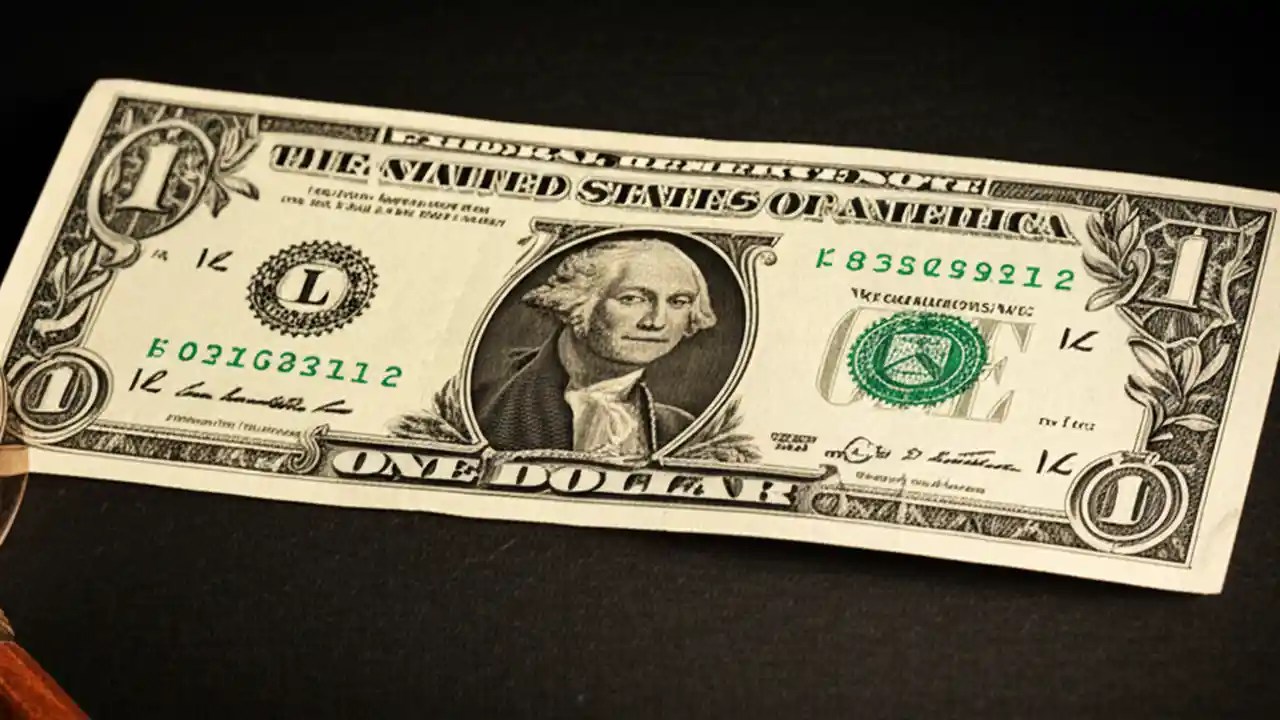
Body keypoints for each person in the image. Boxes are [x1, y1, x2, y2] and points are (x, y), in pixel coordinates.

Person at [476, 238, 717, 458]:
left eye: (678, 302)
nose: (656, 322)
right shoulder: (485, 405)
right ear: (578, 302)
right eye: (632, 299)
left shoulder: (679, 429)